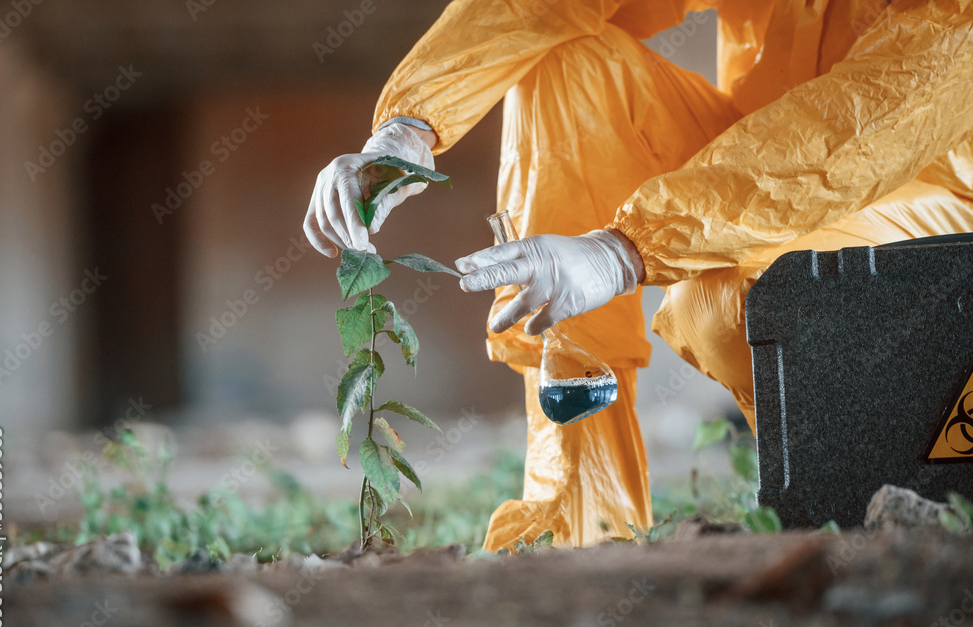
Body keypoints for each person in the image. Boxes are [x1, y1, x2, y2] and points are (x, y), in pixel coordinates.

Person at [305, 0, 973, 551]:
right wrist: (410, 125)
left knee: (738, 305)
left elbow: (856, 131)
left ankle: (888, 483)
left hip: (923, 209)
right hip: (754, 155)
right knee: (568, 70)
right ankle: (581, 509)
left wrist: (625, 248)